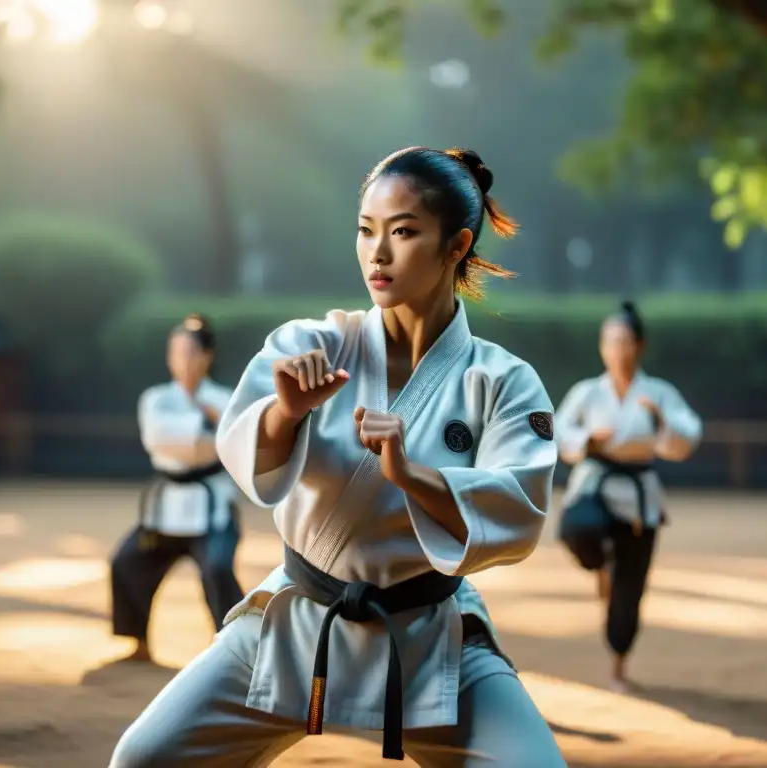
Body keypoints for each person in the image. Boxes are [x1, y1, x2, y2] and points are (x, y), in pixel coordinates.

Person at [109, 147, 568, 767]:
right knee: (144, 758)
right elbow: (245, 453)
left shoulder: (503, 381)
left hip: (429, 634)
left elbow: (516, 512)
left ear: (456, 246)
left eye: (402, 232)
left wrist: (411, 475)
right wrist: (286, 412)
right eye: (366, 230)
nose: (377, 253)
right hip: (298, 622)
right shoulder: (311, 345)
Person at [554, 301, 702, 693]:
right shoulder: (588, 392)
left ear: (640, 346)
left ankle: (618, 662)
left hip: (638, 494)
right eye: (609, 342)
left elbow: (688, 435)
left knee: (630, 586)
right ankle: (600, 564)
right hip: (596, 482)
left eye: (624, 341)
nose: (616, 350)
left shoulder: (658, 393)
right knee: (574, 529)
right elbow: (557, 429)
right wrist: (587, 439)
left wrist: (660, 423)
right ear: (602, 347)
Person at [109, 314, 245, 663]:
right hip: (166, 507)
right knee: (126, 562)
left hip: (212, 504)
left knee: (218, 569)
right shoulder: (155, 398)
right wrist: (205, 427)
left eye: (191, 352)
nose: (183, 360)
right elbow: (159, 439)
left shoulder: (227, 398)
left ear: (207, 357)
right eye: (176, 352)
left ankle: (233, 650)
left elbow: (231, 443)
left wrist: (205, 433)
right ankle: (138, 641)